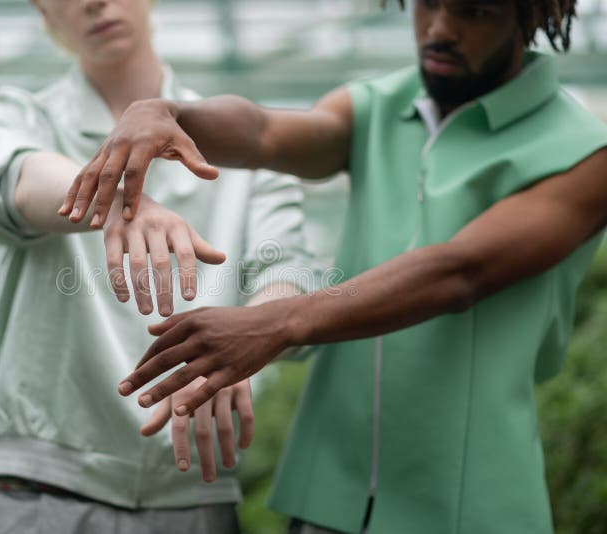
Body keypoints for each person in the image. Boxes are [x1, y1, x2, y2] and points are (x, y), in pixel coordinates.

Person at [59, 0, 607, 532]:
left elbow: (459, 273)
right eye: (428, 5)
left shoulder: (584, 153)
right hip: (327, 500)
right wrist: (171, 115)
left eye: (475, 12)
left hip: (470, 504)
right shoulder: (376, 105)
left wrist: (278, 320)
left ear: (530, 16)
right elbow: (264, 134)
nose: (440, 28)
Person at [0, 0, 319, 532]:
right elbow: (13, 183)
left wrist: (249, 337)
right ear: (44, 15)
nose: (93, 3)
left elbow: (285, 269)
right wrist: (118, 203)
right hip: (44, 485)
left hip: (193, 486)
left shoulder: (244, 146)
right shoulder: (17, 118)